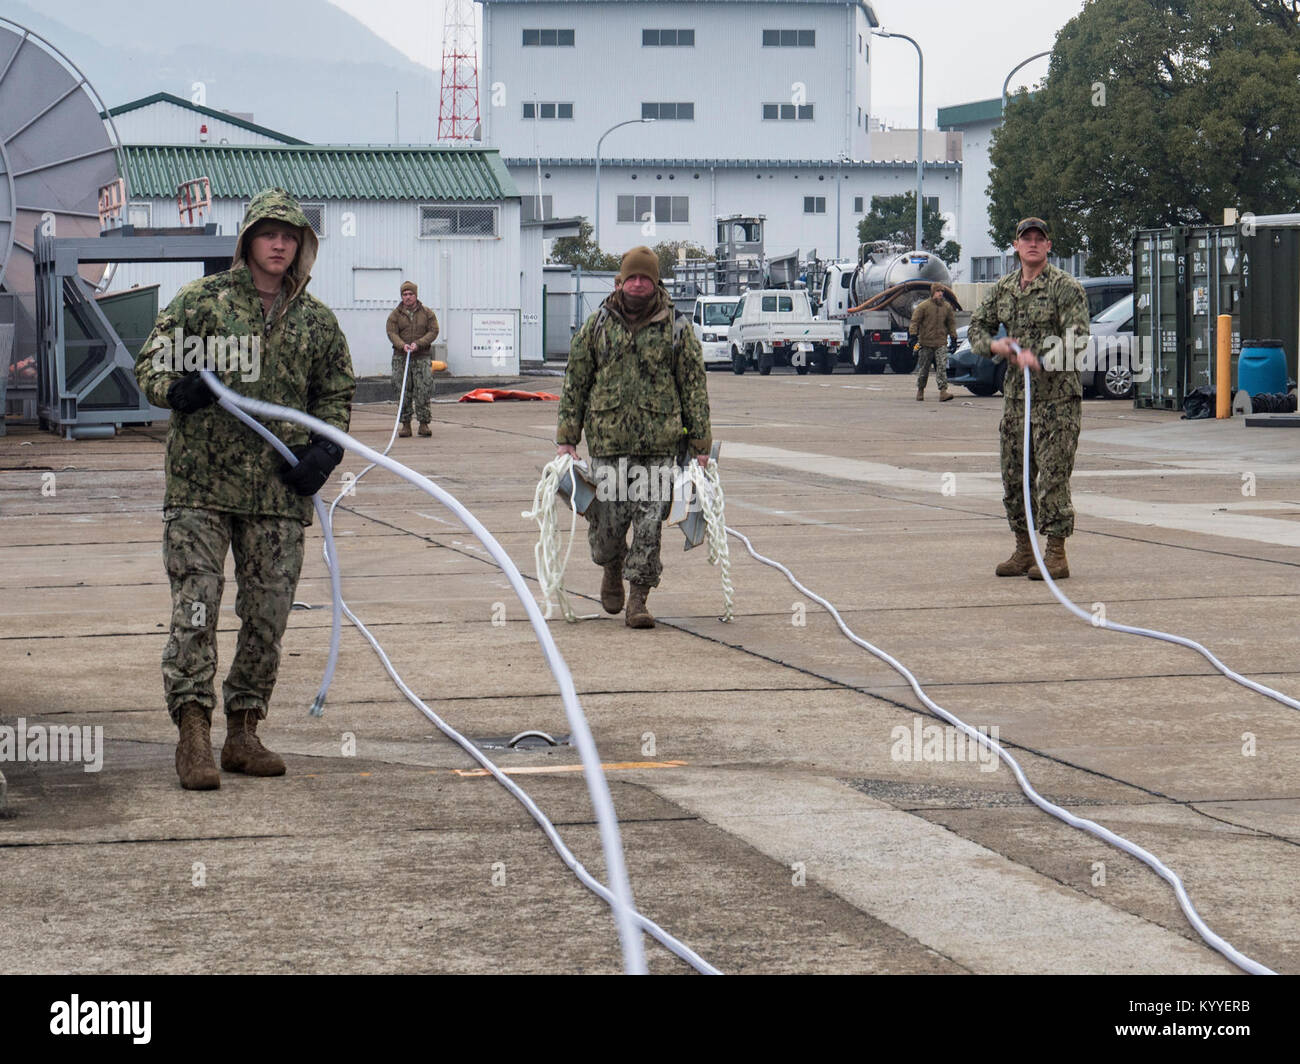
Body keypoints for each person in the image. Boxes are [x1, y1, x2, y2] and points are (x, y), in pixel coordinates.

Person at [135, 188, 355, 790]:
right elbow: (151, 363)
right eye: (268, 233)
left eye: (291, 235)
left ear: (302, 245)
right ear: (248, 241)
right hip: (201, 488)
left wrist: (324, 453)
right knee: (197, 607)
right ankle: (193, 734)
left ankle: (244, 731)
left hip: (277, 496)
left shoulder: (316, 321)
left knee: (267, 616)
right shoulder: (202, 304)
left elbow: (334, 397)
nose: (279, 243)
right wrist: (177, 390)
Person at [555, 246, 712, 628]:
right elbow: (576, 383)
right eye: (632, 277)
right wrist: (567, 438)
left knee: (648, 525)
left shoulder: (677, 329)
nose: (638, 284)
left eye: (645, 277)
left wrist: (701, 445)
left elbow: (693, 386)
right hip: (608, 447)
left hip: (660, 447)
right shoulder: (596, 326)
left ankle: (638, 599)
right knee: (606, 529)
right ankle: (612, 567)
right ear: (621, 281)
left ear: (655, 282)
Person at [967, 217, 1089, 580]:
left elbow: (1078, 337)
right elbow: (977, 326)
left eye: (1040, 239)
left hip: (1057, 400)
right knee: (1014, 474)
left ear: (1049, 246)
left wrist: (1042, 361)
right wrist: (993, 345)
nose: (1033, 244)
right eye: (1026, 239)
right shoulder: (1003, 289)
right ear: (1016, 246)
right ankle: (1024, 548)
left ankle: (1055, 553)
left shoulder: (1066, 288)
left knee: (1053, 476)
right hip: (1017, 399)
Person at [385, 281, 439, 437]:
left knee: (423, 389)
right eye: (405, 294)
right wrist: (402, 345)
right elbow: (391, 332)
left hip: (421, 357)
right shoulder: (395, 315)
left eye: (410, 294)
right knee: (402, 390)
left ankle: (423, 424)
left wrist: (419, 344)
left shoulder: (427, 313)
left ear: (416, 295)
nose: (407, 297)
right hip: (401, 358)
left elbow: (433, 330)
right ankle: (405, 425)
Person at [909, 283, 959, 402]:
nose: (940, 293)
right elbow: (915, 321)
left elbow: (951, 323)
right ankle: (920, 390)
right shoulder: (923, 306)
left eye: (942, 291)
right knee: (924, 369)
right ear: (932, 293)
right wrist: (913, 336)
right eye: (937, 291)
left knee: (941, 367)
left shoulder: (947, 307)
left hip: (941, 342)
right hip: (925, 342)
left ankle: (943, 392)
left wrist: (953, 338)